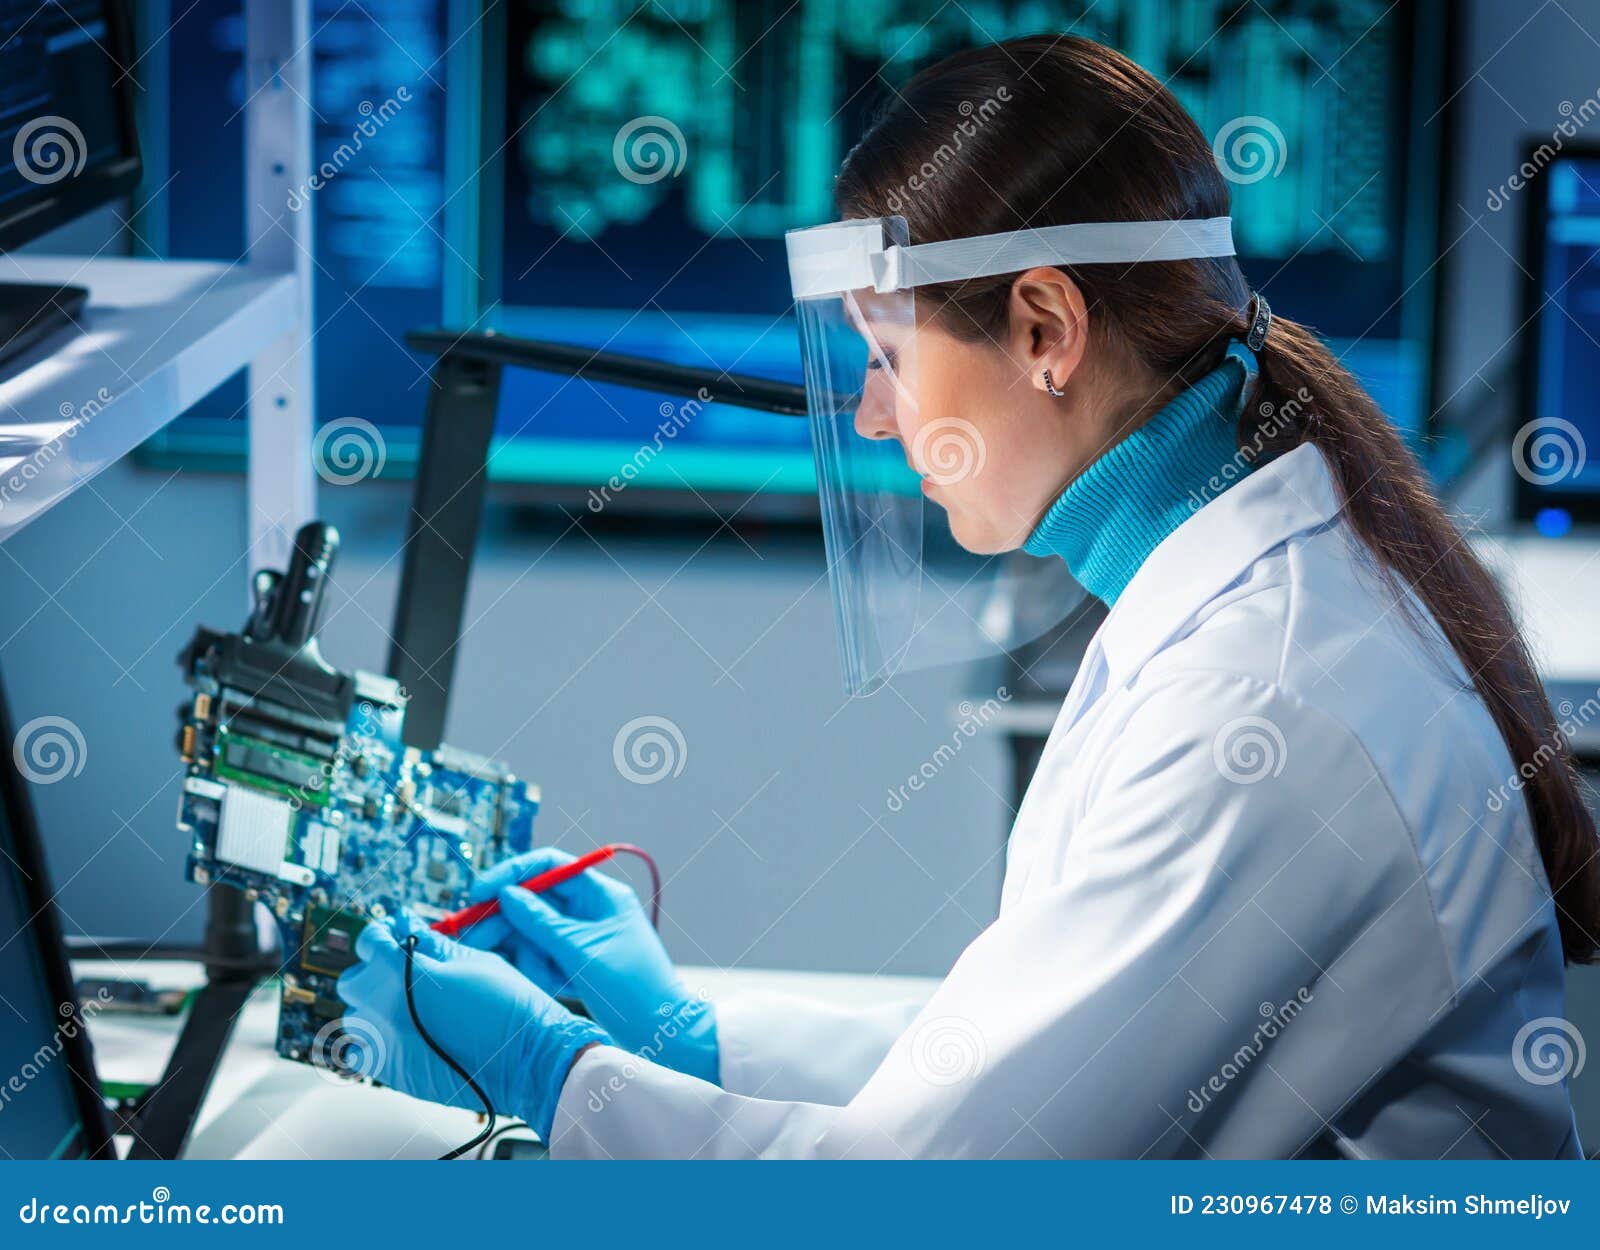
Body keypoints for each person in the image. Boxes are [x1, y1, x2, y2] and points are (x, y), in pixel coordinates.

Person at [337, 35, 1600, 1158]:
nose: (872, 414)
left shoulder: (1255, 706)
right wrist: (692, 1037)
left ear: (1045, 327)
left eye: (888, 354)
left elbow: (931, 1191)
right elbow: (1024, 1059)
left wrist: (553, 1077)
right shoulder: (1241, 600)